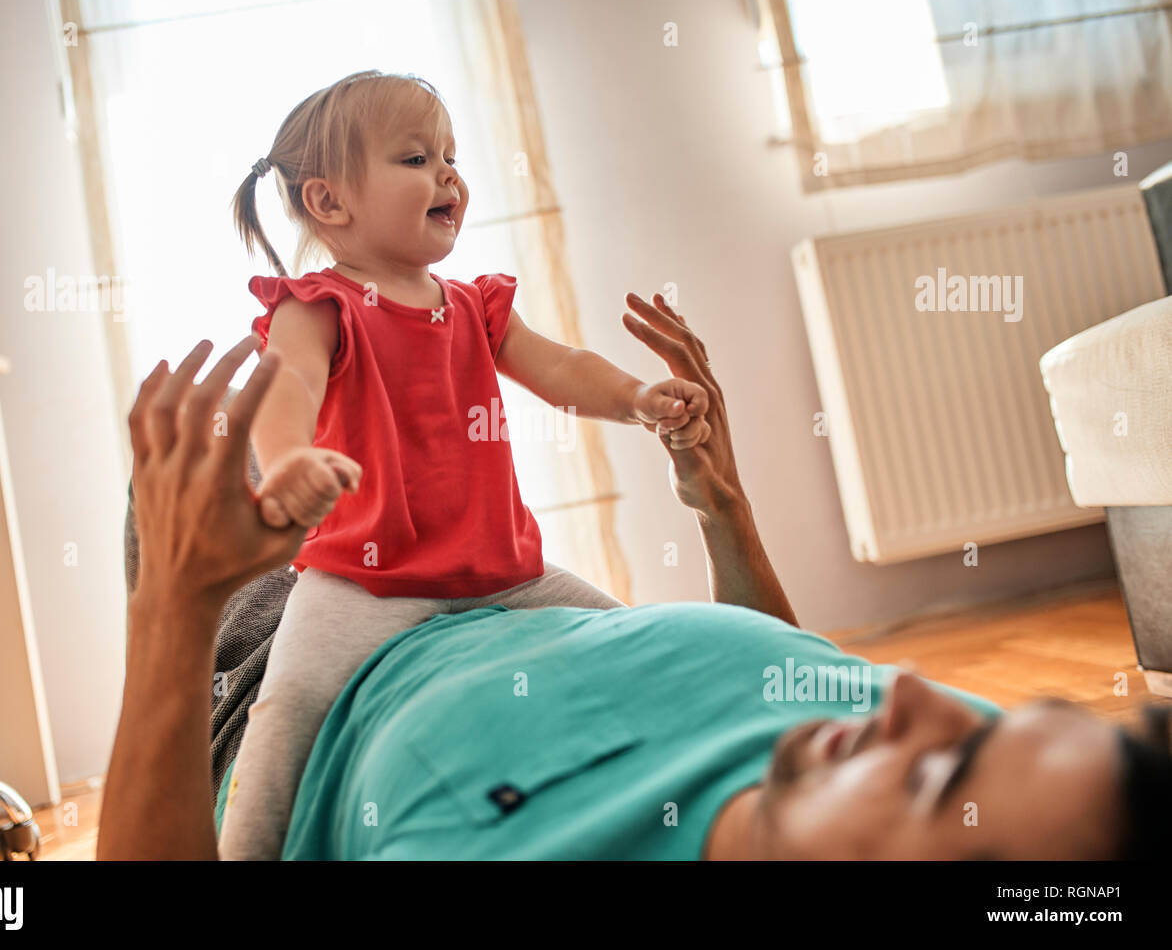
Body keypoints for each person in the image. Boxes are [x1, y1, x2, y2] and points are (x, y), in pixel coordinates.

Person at [100, 291, 1172, 860]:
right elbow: (795, 668)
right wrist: (721, 501)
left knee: (213, 461)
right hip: (488, 590)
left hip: (311, 662)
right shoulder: (888, 748)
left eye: (947, 780)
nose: (917, 698)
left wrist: (172, 611)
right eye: (991, 716)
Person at [220, 69, 709, 859]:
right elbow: (288, 383)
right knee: (288, 706)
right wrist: (288, 462)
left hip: (504, 571)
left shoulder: (476, 304)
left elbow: (562, 367)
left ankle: (687, 788)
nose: (448, 174)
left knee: (629, 640)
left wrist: (638, 397)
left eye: (451, 156)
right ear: (329, 202)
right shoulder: (314, 304)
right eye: (415, 159)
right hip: (363, 581)